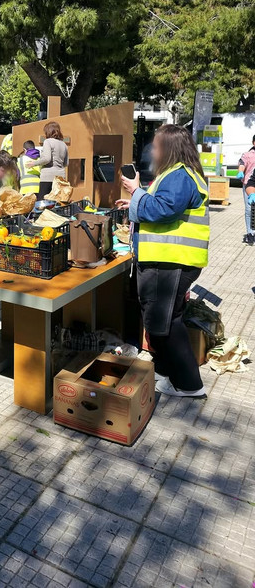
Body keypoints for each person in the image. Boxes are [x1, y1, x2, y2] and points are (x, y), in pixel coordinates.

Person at [117, 124, 210, 398]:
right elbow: (161, 205)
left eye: (156, 146)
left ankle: (189, 384)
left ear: (168, 148)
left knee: (165, 325)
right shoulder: (176, 174)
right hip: (169, 261)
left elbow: (162, 210)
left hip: (170, 262)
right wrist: (134, 204)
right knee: (164, 322)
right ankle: (170, 374)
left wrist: (135, 192)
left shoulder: (179, 176)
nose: (152, 151)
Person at [38, 121, 69, 198]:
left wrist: (34, 163)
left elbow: (47, 159)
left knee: (43, 202)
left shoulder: (47, 142)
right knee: (57, 202)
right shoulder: (64, 144)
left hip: (47, 176)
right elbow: (66, 163)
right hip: (60, 177)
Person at [237, 135, 255, 244]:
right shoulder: (248, 155)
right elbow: (242, 163)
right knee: (250, 209)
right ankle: (250, 233)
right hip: (249, 184)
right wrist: (240, 171)